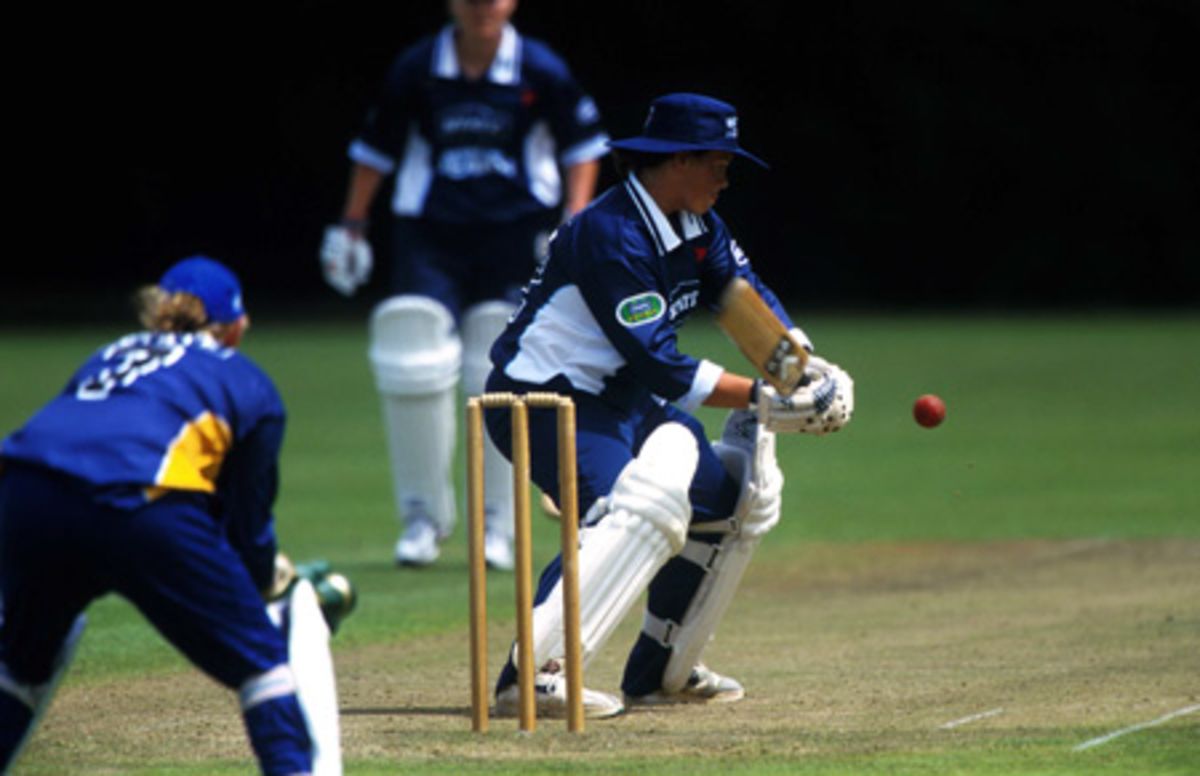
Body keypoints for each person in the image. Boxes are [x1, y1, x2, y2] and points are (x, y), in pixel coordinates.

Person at [482, 93, 855, 717]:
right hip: (546, 399)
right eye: (719, 163)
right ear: (679, 160)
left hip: (623, 396)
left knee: (729, 499)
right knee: (625, 512)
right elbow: (663, 363)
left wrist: (803, 370)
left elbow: (742, 296)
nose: (726, 178)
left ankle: (659, 673)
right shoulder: (611, 234)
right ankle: (532, 678)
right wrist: (770, 397)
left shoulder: (697, 223)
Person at [0, 257, 344, 774]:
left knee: (21, 667)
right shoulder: (245, 378)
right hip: (140, 501)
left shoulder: (109, 354)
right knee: (263, 666)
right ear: (236, 326)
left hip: (24, 494)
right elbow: (246, 524)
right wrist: (259, 585)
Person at [319, 0, 610, 571]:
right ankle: (423, 519)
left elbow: (583, 147)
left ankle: (497, 523)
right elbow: (376, 149)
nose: (483, 7)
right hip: (430, 233)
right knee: (410, 341)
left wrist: (573, 220)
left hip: (515, 230)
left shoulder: (539, 68)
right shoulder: (419, 67)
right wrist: (352, 223)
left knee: (499, 355)